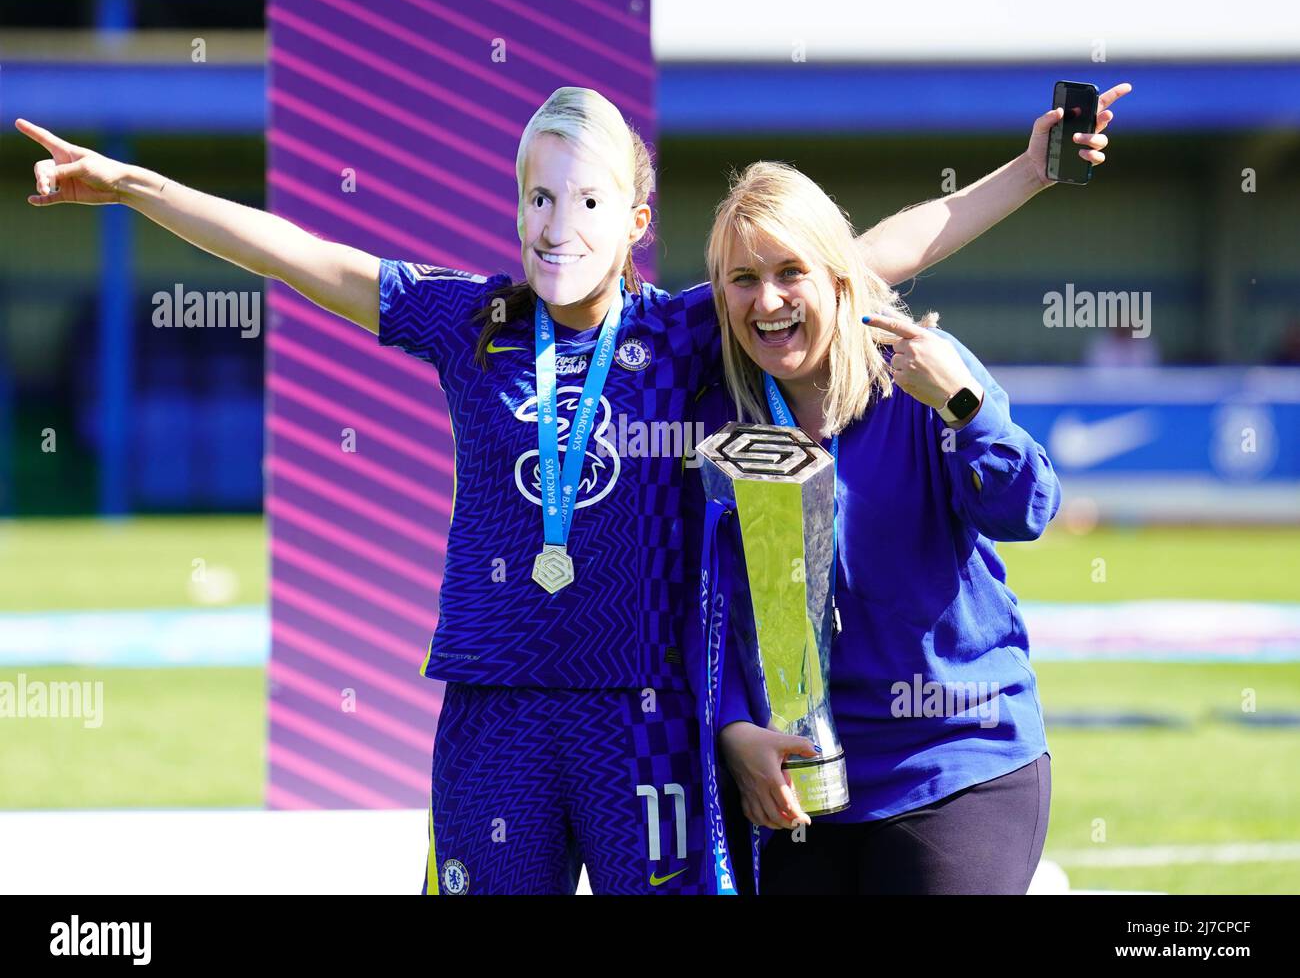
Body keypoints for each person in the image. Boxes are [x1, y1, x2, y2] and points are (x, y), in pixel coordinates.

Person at [15, 79, 1120, 894]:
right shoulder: (473, 322)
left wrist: (1029, 171)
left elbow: (862, 257)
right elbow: (299, 254)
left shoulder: (686, 328)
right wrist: (130, 187)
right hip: (494, 709)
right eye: (537, 201)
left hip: (649, 716)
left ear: (635, 221)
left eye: (587, 203)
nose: (557, 228)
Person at [689, 160, 1060, 894]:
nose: (768, 301)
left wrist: (965, 403)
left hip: (955, 759)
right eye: (742, 279)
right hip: (798, 779)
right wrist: (735, 731)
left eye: (791, 272)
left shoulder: (920, 378)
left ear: (841, 278)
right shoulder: (713, 415)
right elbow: (711, 606)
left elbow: (1026, 510)